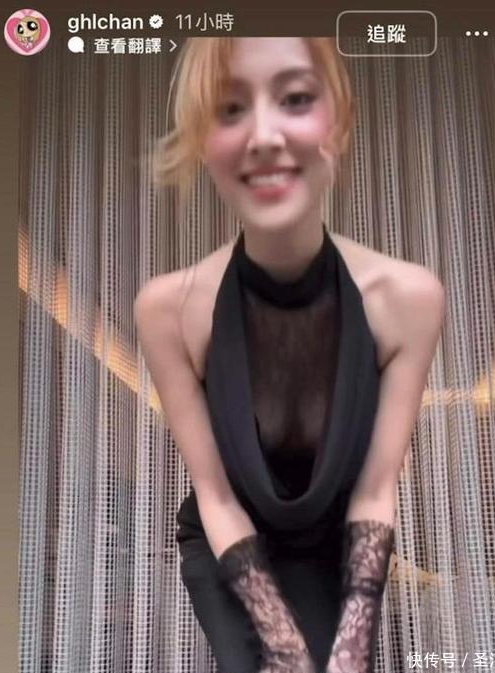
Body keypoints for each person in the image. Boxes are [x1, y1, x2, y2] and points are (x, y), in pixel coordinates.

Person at [134, 37, 445, 673]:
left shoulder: (410, 299)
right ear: (204, 143)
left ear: (340, 122)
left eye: (296, 99)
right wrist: (283, 646)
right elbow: (216, 495)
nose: (264, 136)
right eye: (229, 109)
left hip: (336, 544)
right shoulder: (166, 309)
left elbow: (375, 488)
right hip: (229, 543)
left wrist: (351, 645)